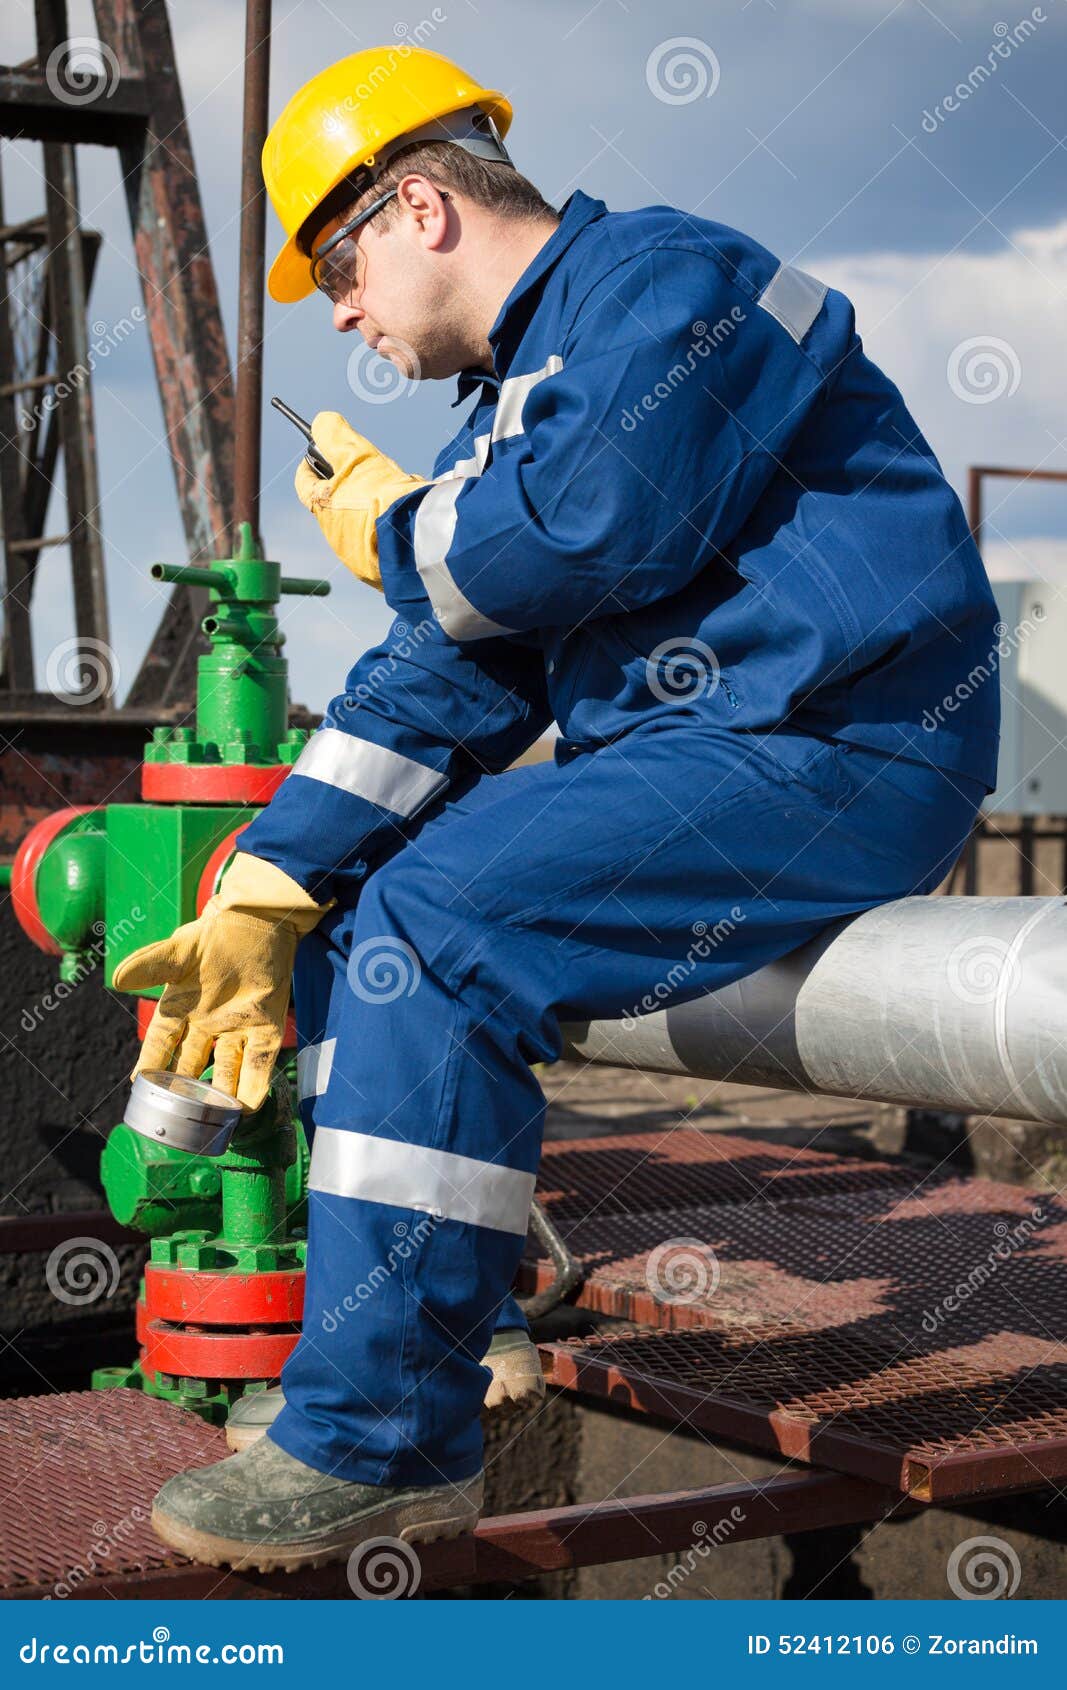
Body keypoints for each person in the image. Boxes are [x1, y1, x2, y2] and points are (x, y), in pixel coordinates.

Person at [114, 45, 1000, 1571]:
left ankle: (382, 1439)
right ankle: (471, 1295)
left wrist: (397, 526)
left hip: (842, 739)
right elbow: (439, 680)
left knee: (439, 922)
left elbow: (580, 526)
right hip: (714, 755)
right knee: (344, 933)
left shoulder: (671, 283)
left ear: (420, 206)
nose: (340, 314)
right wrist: (267, 882)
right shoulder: (517, 404)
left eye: (338, 265)